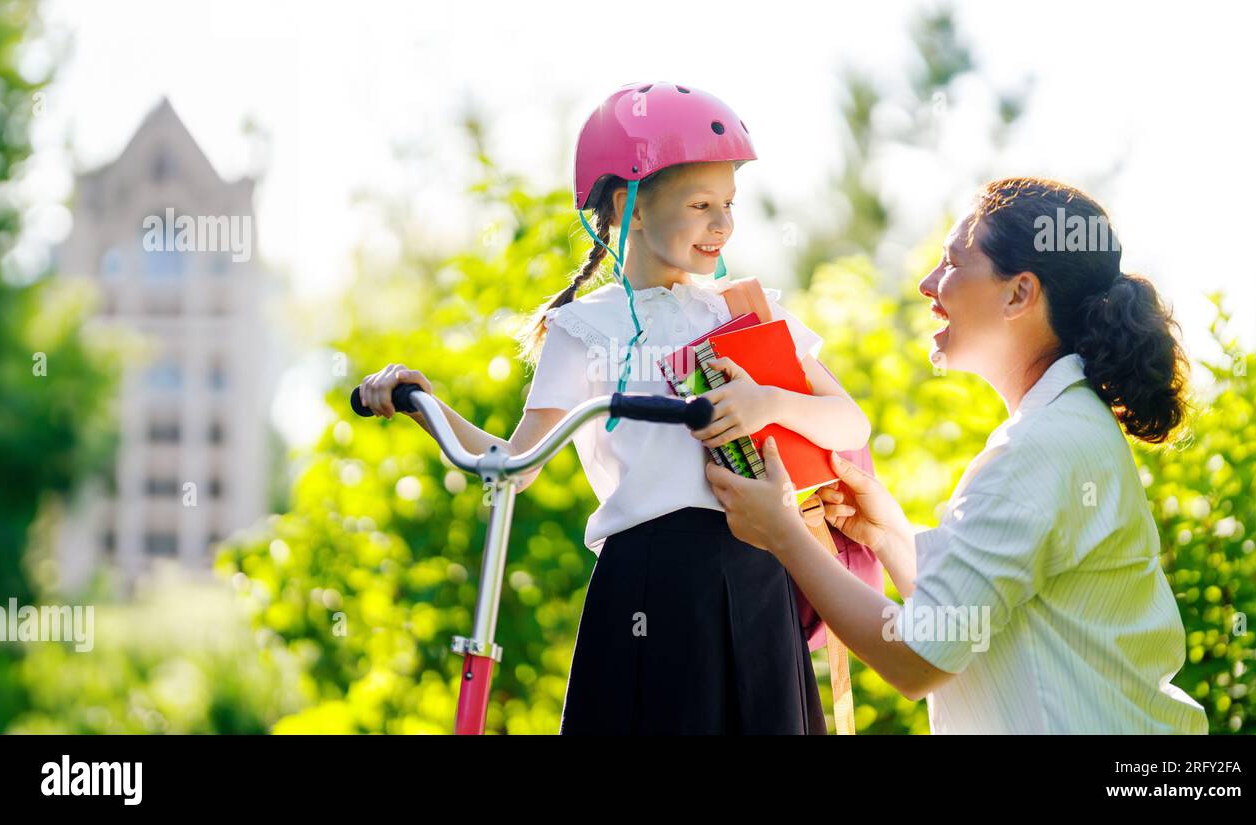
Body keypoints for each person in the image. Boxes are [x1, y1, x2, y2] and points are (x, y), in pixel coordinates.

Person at [357, 82, 871, 734]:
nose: (723, 223)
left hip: (759, 565)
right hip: (648, 579)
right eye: (701, 203)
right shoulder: (583, 329)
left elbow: (850, 421)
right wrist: (422, 404)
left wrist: (766, 400)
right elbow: (515, 464)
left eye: (729, 205)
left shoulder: (740, 310)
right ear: (629, 205)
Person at [707, 177, 1209, 734]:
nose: (927, 284)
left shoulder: (1041, 448)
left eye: (950, 264)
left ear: (1018, 294)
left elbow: (918, 660)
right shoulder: (1065, 427)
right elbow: (971, 617)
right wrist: (888, 536)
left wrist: (783, 533)